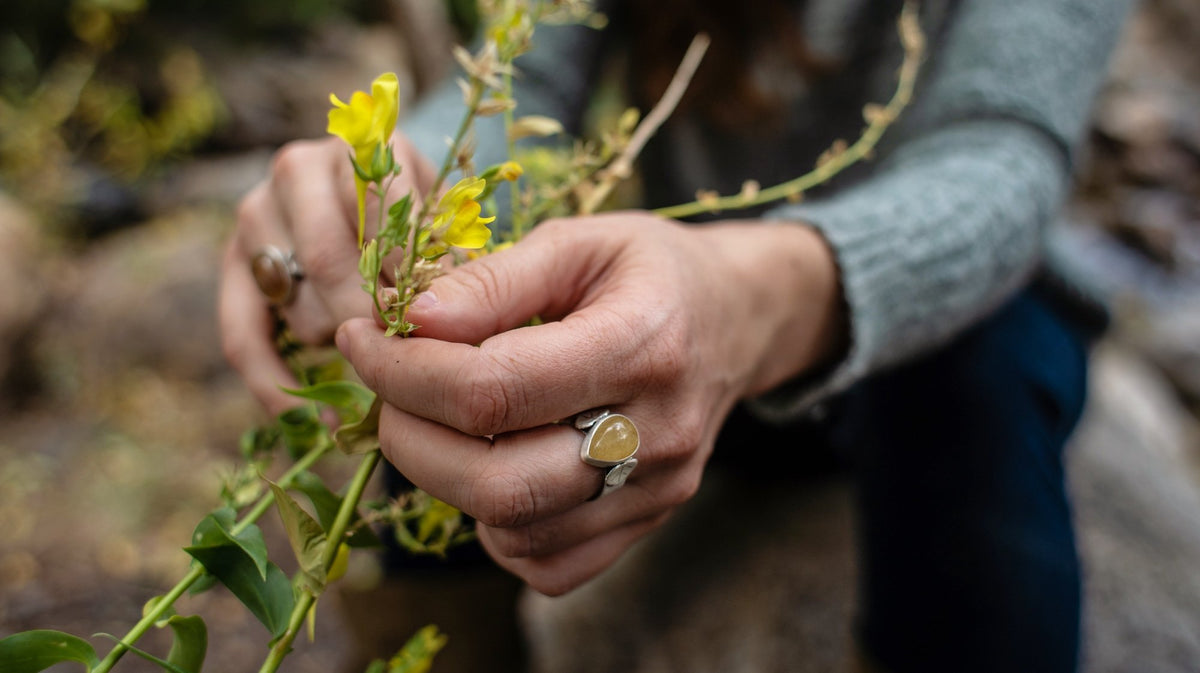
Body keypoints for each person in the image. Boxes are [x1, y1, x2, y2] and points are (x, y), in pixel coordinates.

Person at [220, 1, 1132, 670]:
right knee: (452, 334)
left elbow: (999, 154)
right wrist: (393, 184)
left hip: (941, 326)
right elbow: (516, 84)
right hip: (684, 322)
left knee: (974, 376)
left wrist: (753, 295)